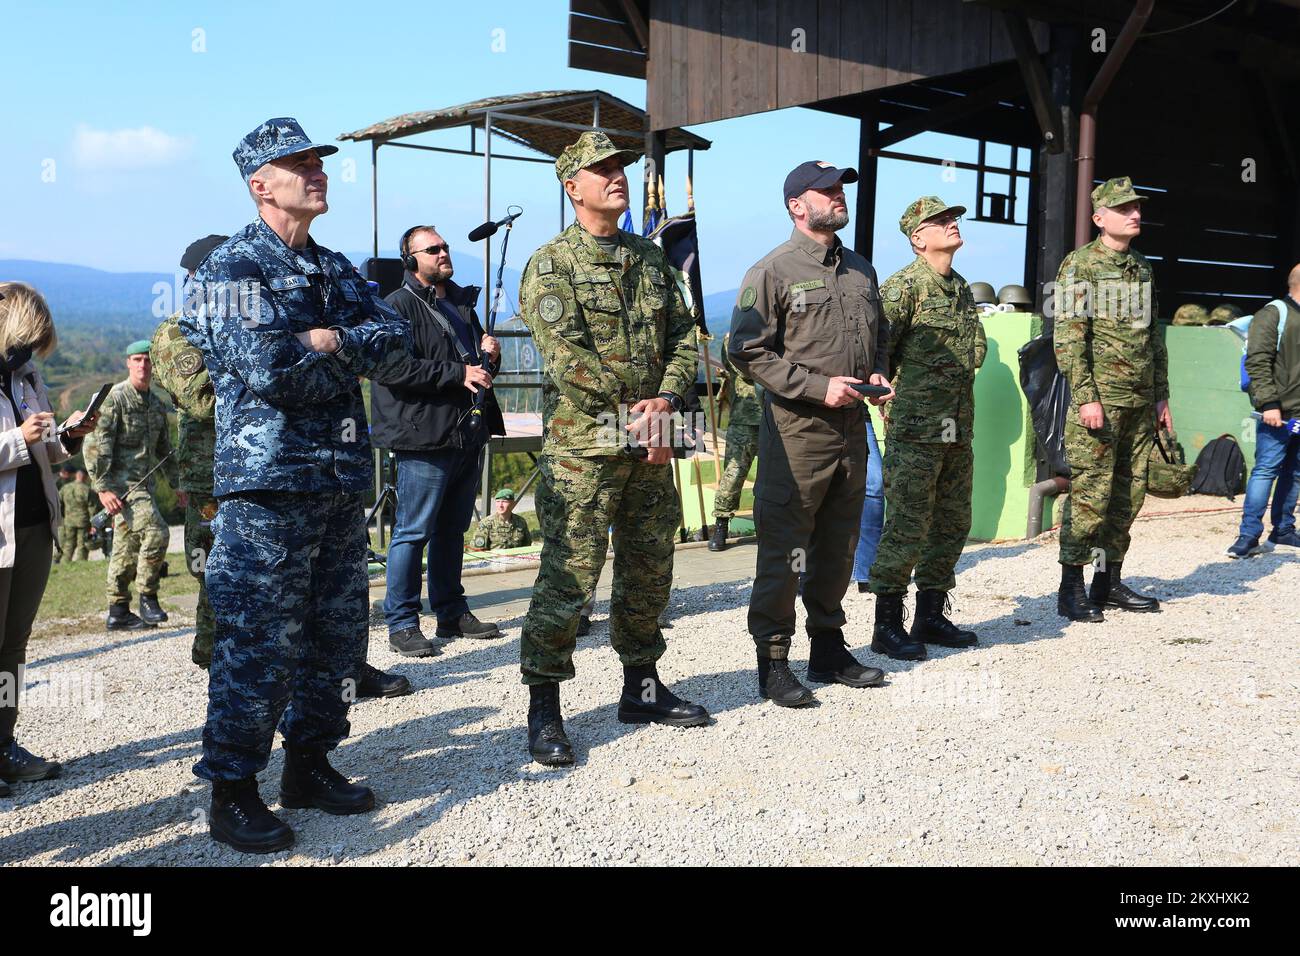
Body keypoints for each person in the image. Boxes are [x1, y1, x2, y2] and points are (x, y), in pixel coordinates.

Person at [179, 117, 410, 853]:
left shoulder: (335, 268)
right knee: (258, 642)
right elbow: (271, 372)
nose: (317, 172)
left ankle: (309, 764)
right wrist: (338, 344)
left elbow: (394, 338)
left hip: (339, 481)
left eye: (318, 160)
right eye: (297, 163)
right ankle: (233, 790)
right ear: (260, 184)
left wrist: (327, 337)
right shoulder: (229, 271)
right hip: (268, 486)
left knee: (334, 637)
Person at [516, 130, 709, 766]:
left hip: (652, 435)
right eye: (601, 170)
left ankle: (642, 688)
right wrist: (639, 414)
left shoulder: (651, 261)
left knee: (650, 567)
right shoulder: (551, 264)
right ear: (572, 188)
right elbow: (565, 357)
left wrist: (669, 400)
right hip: (588, 444)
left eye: (620, 167)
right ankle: (544, 707)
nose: (616, 176)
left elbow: (686, 335)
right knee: (571, 573)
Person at [729, 159, 891, 707]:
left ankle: (828, 647)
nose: (838, 196)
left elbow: (880, 335)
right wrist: (818, 388)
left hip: (853, 426)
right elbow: (746, 351)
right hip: (798, 430)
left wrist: (876, 372)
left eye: (841, 188)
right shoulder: (771, 271)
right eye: (827, 190)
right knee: (785, 547)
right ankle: (773, 662)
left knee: (839, 543)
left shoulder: (862, 270)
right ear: (798, 205)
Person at [372, 223, 505, 657]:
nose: (444, 253)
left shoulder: (463, 305)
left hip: (468, 431)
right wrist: (457, 372)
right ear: (411, 260)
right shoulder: (395, 306)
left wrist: (489, 359)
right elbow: (393, 369)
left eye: (445, 246)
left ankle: (450, 612)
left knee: (453, 528)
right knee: (413, 531)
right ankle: (403, 623)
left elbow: (476, 373)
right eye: (433, 249)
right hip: (423, 436)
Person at [867, 197, 986, 659]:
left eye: (952, 218)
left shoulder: (959, 287)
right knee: (907, 525)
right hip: (915, 429)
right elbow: (879, 354)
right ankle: (887, 625)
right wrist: (890, 400)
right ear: (918, 238)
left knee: (952, 522)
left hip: (958, 427)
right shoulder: (902, 288)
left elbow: (976, 342)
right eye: (939, 221)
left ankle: (931, 615)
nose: (951, 224)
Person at [1054, 176, 1171, 621]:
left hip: (1140, 405)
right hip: (1100, 402)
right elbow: (1068, 337)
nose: (1135, 214)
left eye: (1137, 207)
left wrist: (1161, 396)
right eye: (1124, 209)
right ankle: (1071, 588)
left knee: (1128, 495)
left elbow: (1153, 338)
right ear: (1099, 218)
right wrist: (1086, 397)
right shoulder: (1080, 266)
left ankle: (1108, 583)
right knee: (1091, 495)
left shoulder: (1142, 267)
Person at [0, 282, 99, 794]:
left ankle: (4, 744)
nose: (28, 356)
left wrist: (68, 437)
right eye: (24, 343)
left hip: (34, 527)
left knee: (14, 644)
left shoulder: (27, 375)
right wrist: (20, 439)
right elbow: (17, 446)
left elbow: (45, 452)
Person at [86, 340, 180, 630]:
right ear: (128, 363)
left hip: (144, 487)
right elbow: (94, 445)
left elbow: (165, 451)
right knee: (157, 532)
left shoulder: (156, 404)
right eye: (137, 359)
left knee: (125, 549)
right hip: (120, 488)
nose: (143, 365)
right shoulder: (116, 399)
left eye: (147, 360)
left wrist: (178, 486)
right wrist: (102, 488)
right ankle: (148, 596)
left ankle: (118, 610)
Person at [1228, 265, 1300, 557]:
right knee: (1266, 470)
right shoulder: (1273, 313)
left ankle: (1283, 531)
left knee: (1295, 474)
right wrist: (1269, 404)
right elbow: (1257, 361)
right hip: (1278, 413)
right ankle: (1248, 536)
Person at [707, 332, 761, 552]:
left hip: (777, 417)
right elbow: (743, 369)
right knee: (733, 474)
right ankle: (721, 525)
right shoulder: (737, 334)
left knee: (775, 478)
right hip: (745, 417)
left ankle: (768, 526)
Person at [852, 411, 885, 593]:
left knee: (875, 483)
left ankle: (866, 573)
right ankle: (803, 571)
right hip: (810, 416)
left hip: (856, 414)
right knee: (813, 491)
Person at [56, 468, 95, 562]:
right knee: (82, 544)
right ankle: (81, 563)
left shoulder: (65, 488)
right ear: (85, 477)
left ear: (76, 476)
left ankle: (65, 563)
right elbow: (92, 508)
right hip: (83, 521)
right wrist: (93, 524)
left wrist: (62, 516)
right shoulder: (87, 490)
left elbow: (58, 503)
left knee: (68, 544)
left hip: (68, 521)